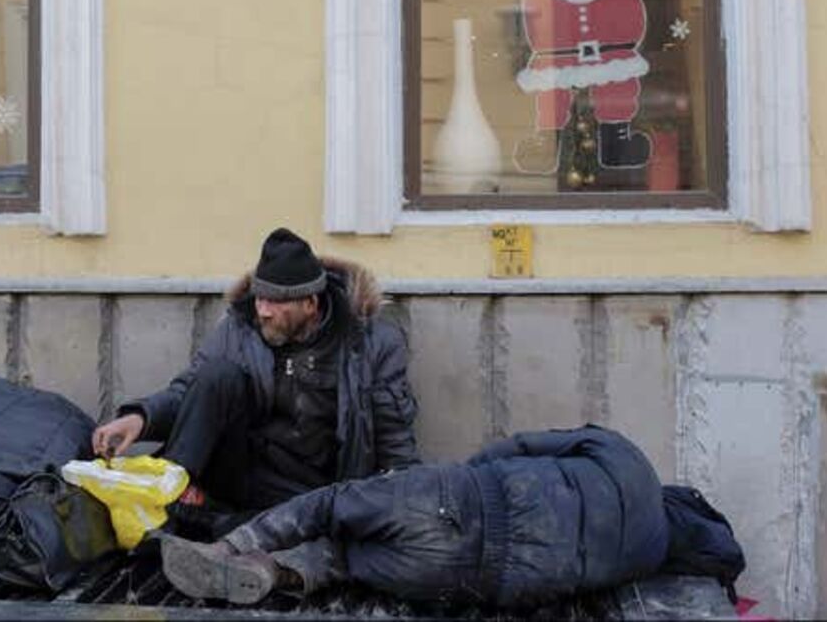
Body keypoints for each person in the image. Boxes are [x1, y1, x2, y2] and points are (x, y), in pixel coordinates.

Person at [92, 227, 420, 517]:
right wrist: (141, 418)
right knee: (217, 375)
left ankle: (216, 524)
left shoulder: (369, 344)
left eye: (275, 302)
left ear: (310, 304)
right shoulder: (240, 327)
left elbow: (392, 435)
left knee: (287, 526)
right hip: (242, 468)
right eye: (260, 298)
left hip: (312, 489)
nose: (262, 310)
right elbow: (192, 392)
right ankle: (170, 500)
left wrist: (410, 502)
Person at [160, 425, 671, 608]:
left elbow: (520, 446)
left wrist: (467, 477)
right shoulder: (647, 556)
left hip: (467, 498)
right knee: (343, 559)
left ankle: (227, 549)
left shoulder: (626, 457)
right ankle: (270, 572)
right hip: (470, 577)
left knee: (331, 505)